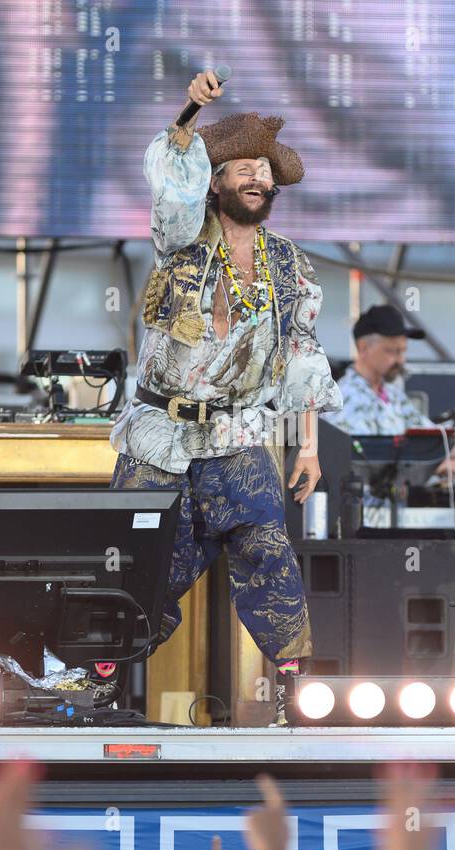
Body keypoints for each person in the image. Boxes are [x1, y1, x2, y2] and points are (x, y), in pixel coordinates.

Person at [108, 70, 342, 725]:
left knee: (268, 551)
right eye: (241, 167)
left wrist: (309, 447)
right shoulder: (180, 240)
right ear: (214, 182)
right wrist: (189, 111)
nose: (255, 178)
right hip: (159, 433)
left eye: (263, 171)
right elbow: (168, 168)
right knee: (134, 565)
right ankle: (89, 684)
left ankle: (296, 694)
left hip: (238, 434)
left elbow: (302, 356)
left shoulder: (291, 266)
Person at [324, 304, 455, 477]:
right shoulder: (344, 399)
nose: (400, 359)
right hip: (360, 524)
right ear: (363, 348)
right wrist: (430, 466)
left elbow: (438, 443)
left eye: (403, 351)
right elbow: (364, 461)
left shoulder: (392, 396)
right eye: (391, 351)